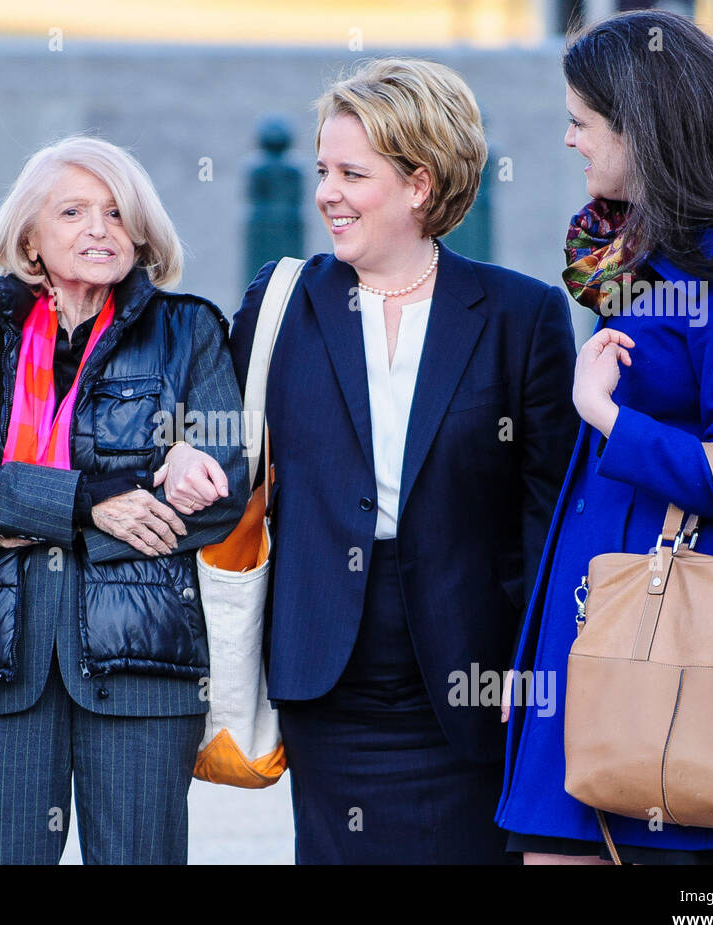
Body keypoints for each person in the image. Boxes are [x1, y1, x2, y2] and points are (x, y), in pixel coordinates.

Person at [497, 10, 713, 864]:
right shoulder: (640, 250)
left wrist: (610, 416)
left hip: (676, 639)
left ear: (642, 126)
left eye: (583, 120)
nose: (570, 139)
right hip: (600, 625)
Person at [229, 58, 578, 864]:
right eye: (323, 171)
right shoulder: (281, 305)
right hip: (325, 669)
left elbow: (546, 517)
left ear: (420, 185)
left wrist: (532, 663)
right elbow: (223, 448)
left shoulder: (521, 316)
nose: (327, 193)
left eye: (354, 173)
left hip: (471, 677)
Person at [0, 135, 248, 865]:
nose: (100, 229)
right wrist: (89, 504)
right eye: (74, 212)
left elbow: (226, 491)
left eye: (117, 214)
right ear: (30, 235)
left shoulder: (189, 331)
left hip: (143, 663)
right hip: (5, 659)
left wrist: (23, 514)